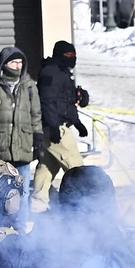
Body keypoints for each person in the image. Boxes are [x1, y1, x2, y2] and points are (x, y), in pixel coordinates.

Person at [35, 40, 92, 203]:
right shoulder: (51, 73)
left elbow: (65, 103)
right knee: (78, 171)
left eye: (73, 55)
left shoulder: (62, 72)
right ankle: (89, 206)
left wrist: (77, 122)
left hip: (58, 126)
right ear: (59, 56)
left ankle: (38, 206)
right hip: (55, 128)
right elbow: (47, 101)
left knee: (46, 169)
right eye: (68, 55)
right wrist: (53, 127)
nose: (71, 58)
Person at [0, 44, 44, 167]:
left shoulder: (29, 86)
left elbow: (35, 115)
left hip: (23, 149)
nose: (18, 66)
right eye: (14, 62)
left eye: (20, 62)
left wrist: (38, 141)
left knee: (21, 186)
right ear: (4, 63)